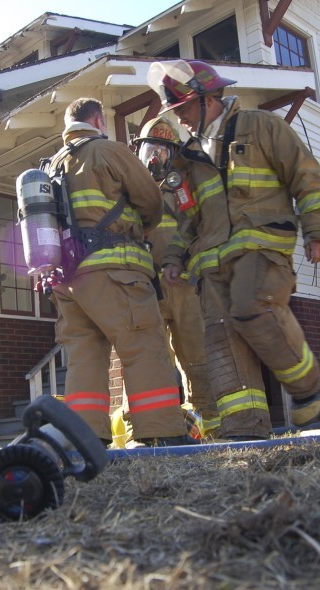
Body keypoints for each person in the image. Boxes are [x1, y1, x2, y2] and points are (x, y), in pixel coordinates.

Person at [146, 60, 320, 439]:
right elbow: (189, 221)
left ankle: (305, 387)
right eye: (176, 111)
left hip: (260, 246)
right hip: (210, 264)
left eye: (183, 108)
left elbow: (306, 175)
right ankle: (244, 432)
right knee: (221, 341)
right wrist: (173, 259)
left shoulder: (261, 126)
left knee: (252, 308)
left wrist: (318, 230)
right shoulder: (188, 161)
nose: (180, 118)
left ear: (207, 98)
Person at [45, 98, 193, 446]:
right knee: (143, 343)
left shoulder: (52, 164)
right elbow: (151, 202)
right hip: (113, 270)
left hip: (67, 280)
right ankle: (161, 432)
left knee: (84, 356)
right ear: (98, 119)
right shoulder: (108, 151)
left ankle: (86, 438)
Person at [132, 116, 220, 439]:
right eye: (149, 150)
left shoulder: (183, 187)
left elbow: (199, 226)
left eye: (161, 151)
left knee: (197, 355)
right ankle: (160, 430)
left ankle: (211, 424)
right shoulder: (131, 191)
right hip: (147, 287)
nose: (154, 158)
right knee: (151, 361)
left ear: (173, 154)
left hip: (183, 285)